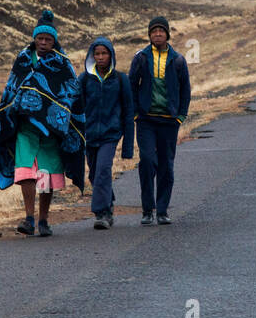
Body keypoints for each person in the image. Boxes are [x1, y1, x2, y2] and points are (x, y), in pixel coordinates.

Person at [0, 9, 85, 237]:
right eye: (40, 38)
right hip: (25, 128)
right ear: (34, 38)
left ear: (54, 40)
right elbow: (12, 88)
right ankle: (28, 218)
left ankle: (43, 220)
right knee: (26, 172)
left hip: (51, 130)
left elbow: (72, 93)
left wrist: (58, 116)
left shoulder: (62, 64)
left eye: (48, 39)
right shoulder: (23, 58)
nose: (43, 42)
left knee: (47, 174)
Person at [128, 17, 191, 226]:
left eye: (161, 31)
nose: (157, 34)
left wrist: (180, 115)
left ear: (167, 34)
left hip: (169, 121)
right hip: (146, 120)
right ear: (149, 35)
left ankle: (162, 210)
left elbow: (185, 90)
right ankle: (147, 210)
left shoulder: (178, 60)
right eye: (153, 31)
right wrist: (136, 113)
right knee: (146, 161)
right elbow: (131, 86)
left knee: (166, 165)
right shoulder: (141, 57)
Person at [80, 36, 134, 230]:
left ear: (111, 56)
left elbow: (129, 112)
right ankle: (108, 204)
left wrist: (127, 145)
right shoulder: (85, 78)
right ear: (92, 56)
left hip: (111, 134)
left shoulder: (121, 79)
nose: (101, 57)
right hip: (89, 134)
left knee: (103, 170)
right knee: (94, 175)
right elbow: (76, 107)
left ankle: (101, 213)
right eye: (97, 53)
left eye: (104, 53)